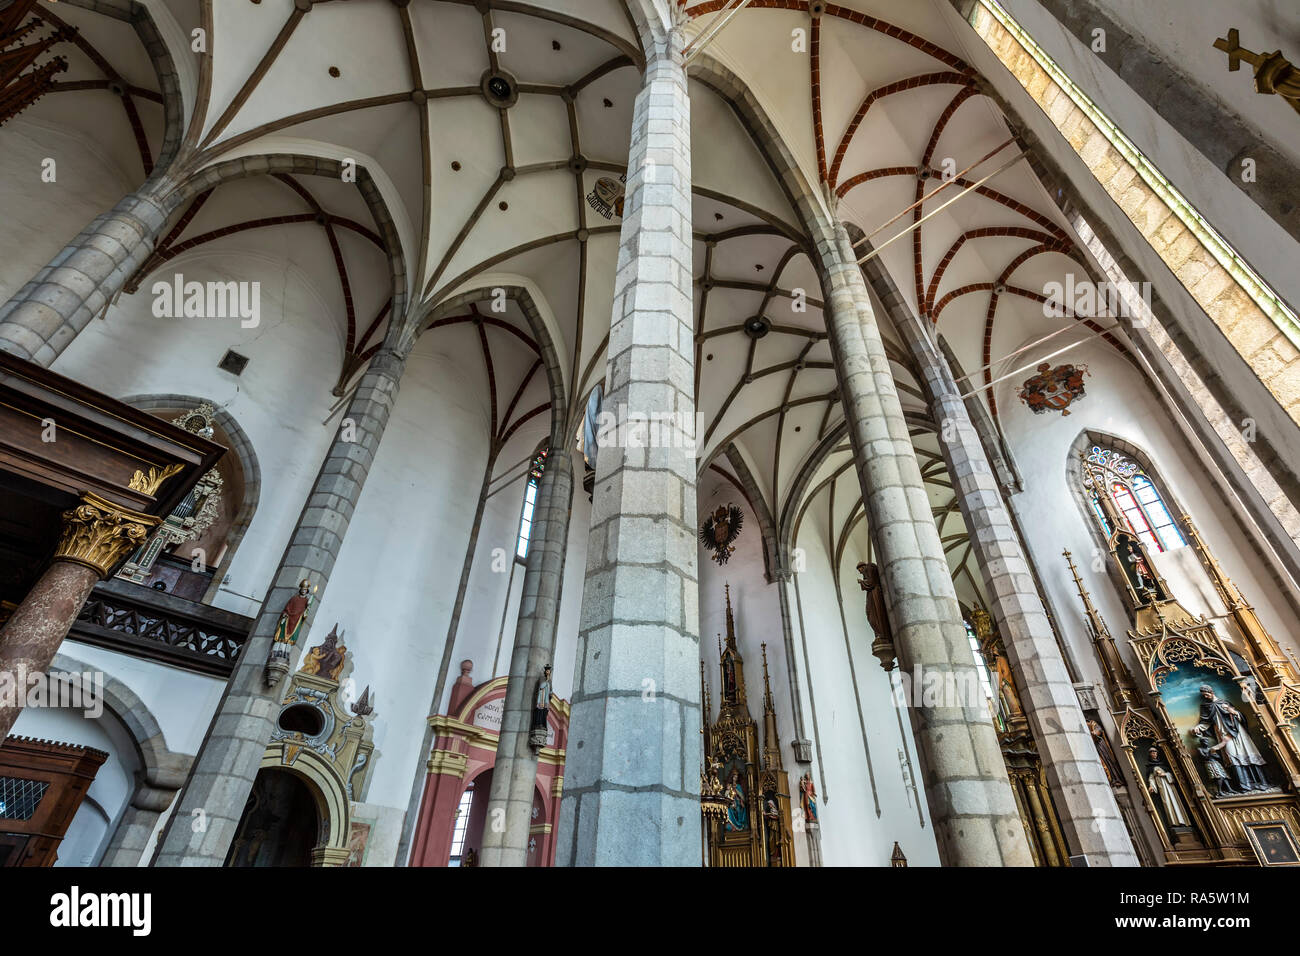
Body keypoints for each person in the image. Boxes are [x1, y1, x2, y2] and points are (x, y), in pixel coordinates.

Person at [1198, 684, 1270, 791]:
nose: (1206, 697)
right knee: (1232, 756)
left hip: (1238, 732)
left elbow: (1239, 716)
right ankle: (1244, 785)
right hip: (1224, 734)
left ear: (1211, 691)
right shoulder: (1206, 707)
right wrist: (1199, 727)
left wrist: (1233, 712)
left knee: (1247, 752)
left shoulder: (1225, 703)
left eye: (1207, 694)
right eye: (1204, 695)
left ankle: (1262, 782)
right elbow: (1206, 721)